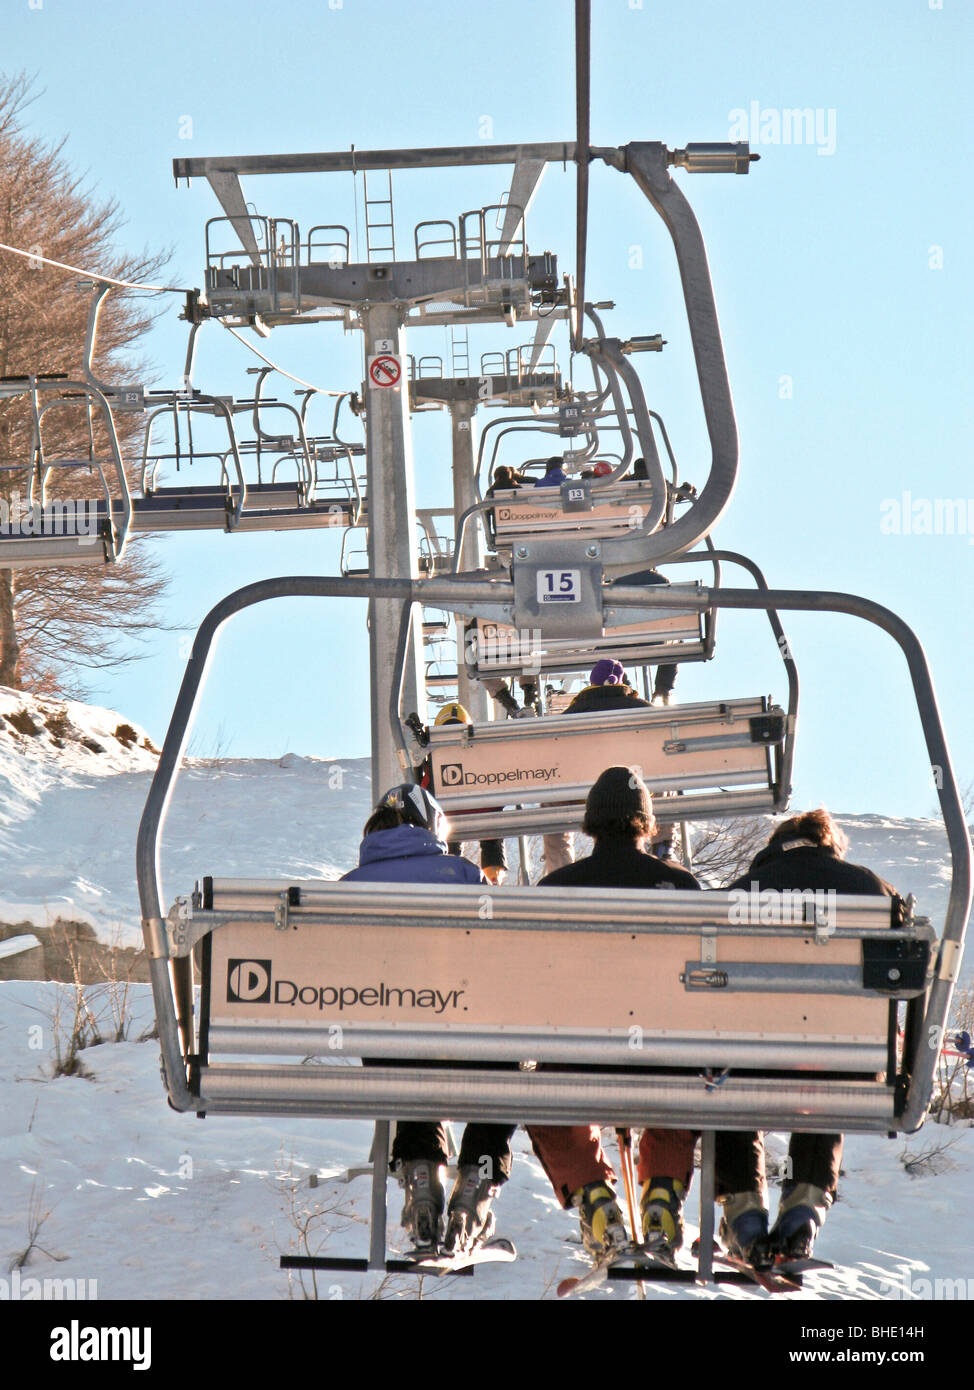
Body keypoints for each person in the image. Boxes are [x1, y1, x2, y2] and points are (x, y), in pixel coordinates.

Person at [527, 767, 705, 1260]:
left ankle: (595, 1198)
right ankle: (662, 1199)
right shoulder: (680, 886)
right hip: (661, 1055)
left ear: (591, 825)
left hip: (577, 1056)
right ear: (645, 823)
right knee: (681, 1093)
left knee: (548, 1103)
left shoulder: (556, 888)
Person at [717, 808, 898, 1265]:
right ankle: (803, 1212)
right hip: (846, 1054)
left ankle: (745, 1217)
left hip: (751, 1054)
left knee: (727, 1088)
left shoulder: (740, 895)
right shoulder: (874, 891)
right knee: (828, 1078)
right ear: (828, 845)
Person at [341, 783, 517, 1252]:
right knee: (504, 1059)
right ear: (432, 826)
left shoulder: (348, 889)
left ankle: (421, 1173)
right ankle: (475, 1183)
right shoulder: (463, 875)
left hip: (387, 1054)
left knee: (403, 1044)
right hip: (468, 1045)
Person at [541, 660, 652, 874]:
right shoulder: (644, 710)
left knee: (550, 800)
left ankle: (559, 866)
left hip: (583, 792)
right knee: (669, 780)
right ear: (621, 682)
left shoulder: (569, 717)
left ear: (591, 683)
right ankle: (664, 845)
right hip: (638, 791)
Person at [424, 702, 508, 884]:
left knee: (448, 838)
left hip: (446, 819)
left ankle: (451, 873)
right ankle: (494, 877)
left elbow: (426, 794)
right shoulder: (481, 756)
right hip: (486, 816)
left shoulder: (434, 760)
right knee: (492, 834)